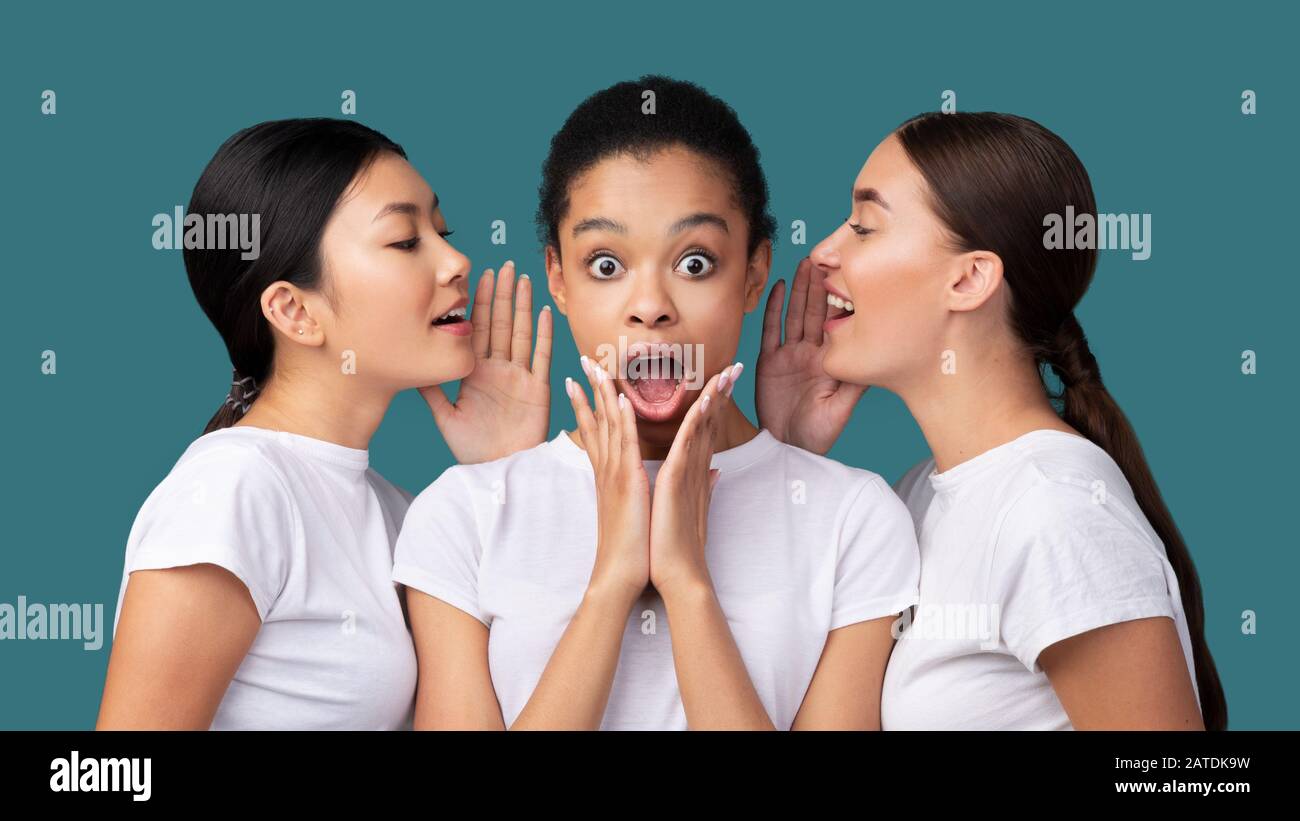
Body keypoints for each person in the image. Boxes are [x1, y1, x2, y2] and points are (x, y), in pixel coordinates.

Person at [394, 77, 920, 730]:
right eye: (606, 264)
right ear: (558, 276)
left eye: (695, 262)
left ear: (754, 272)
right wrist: (613, 582)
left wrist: (687, 583)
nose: (651, 305)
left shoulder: (856, 518)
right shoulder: (461, 515)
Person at [98, 118, 552, 729]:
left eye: (442, 231)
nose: (456, 260)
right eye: (404, 240)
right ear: (294, 311)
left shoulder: (401, 514)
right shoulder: (232, 492)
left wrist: (500, 479)